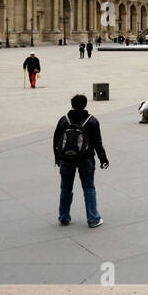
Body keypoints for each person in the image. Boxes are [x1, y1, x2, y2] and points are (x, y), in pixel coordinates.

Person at [53, 93, 109, 228]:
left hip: (66, 159)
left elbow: (56, 141)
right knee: (89, 187)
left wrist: (58, 158)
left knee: (65, 188)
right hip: (86, 158)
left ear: (72, 105)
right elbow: (97, 143)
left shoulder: (64, 120)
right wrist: (103, 159)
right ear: (85, 105)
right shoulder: (92, 121)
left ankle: (64, 217)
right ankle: (93, 219)